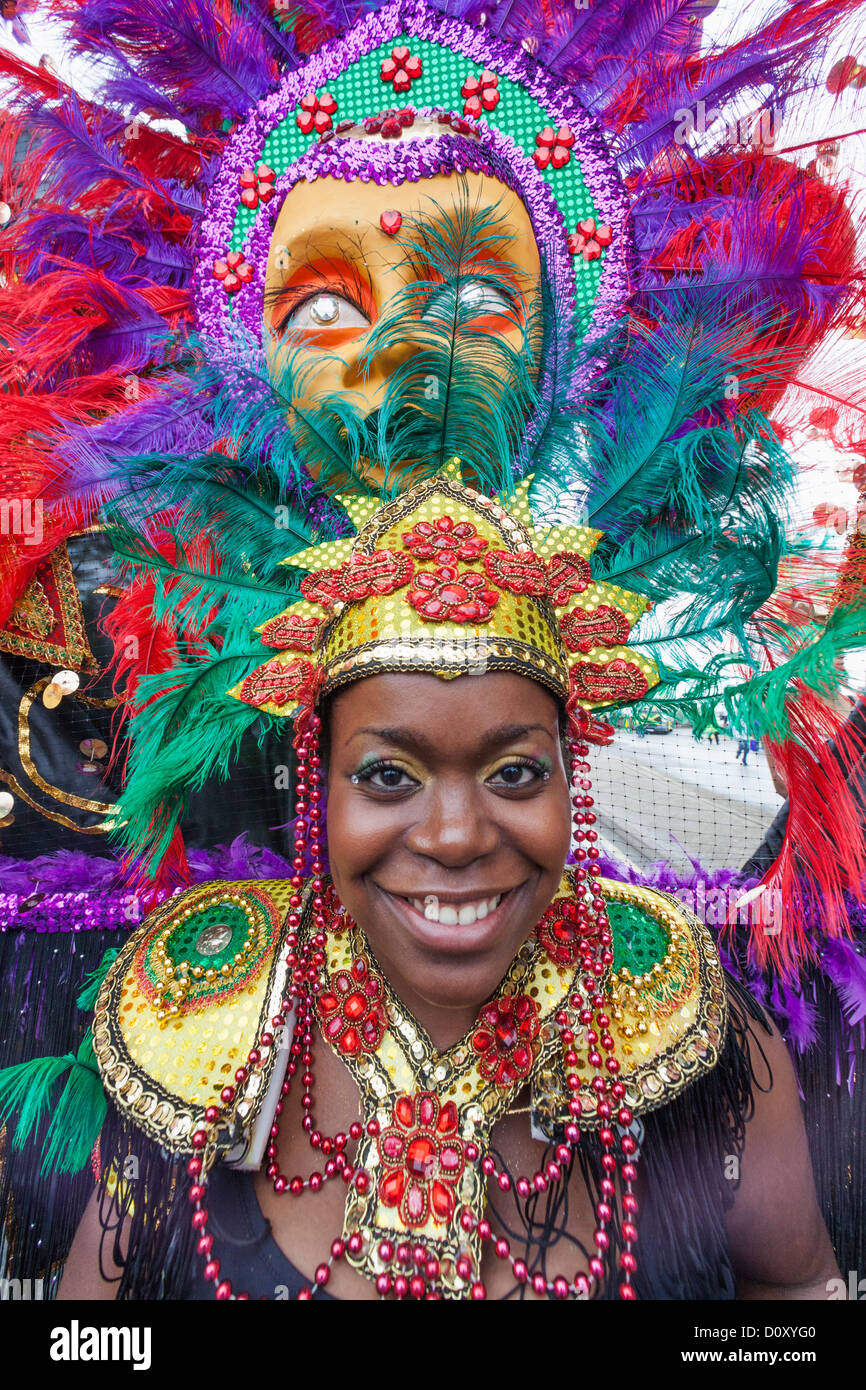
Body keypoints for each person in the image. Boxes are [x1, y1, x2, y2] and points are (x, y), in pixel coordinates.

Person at [52, 468, 839, 1301]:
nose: (456, 836)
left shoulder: (684, 1022)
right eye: (389, 776)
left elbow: (795, 1297)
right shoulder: (200, 1017)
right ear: (320, 790)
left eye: (515, 772)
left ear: (572, 777)